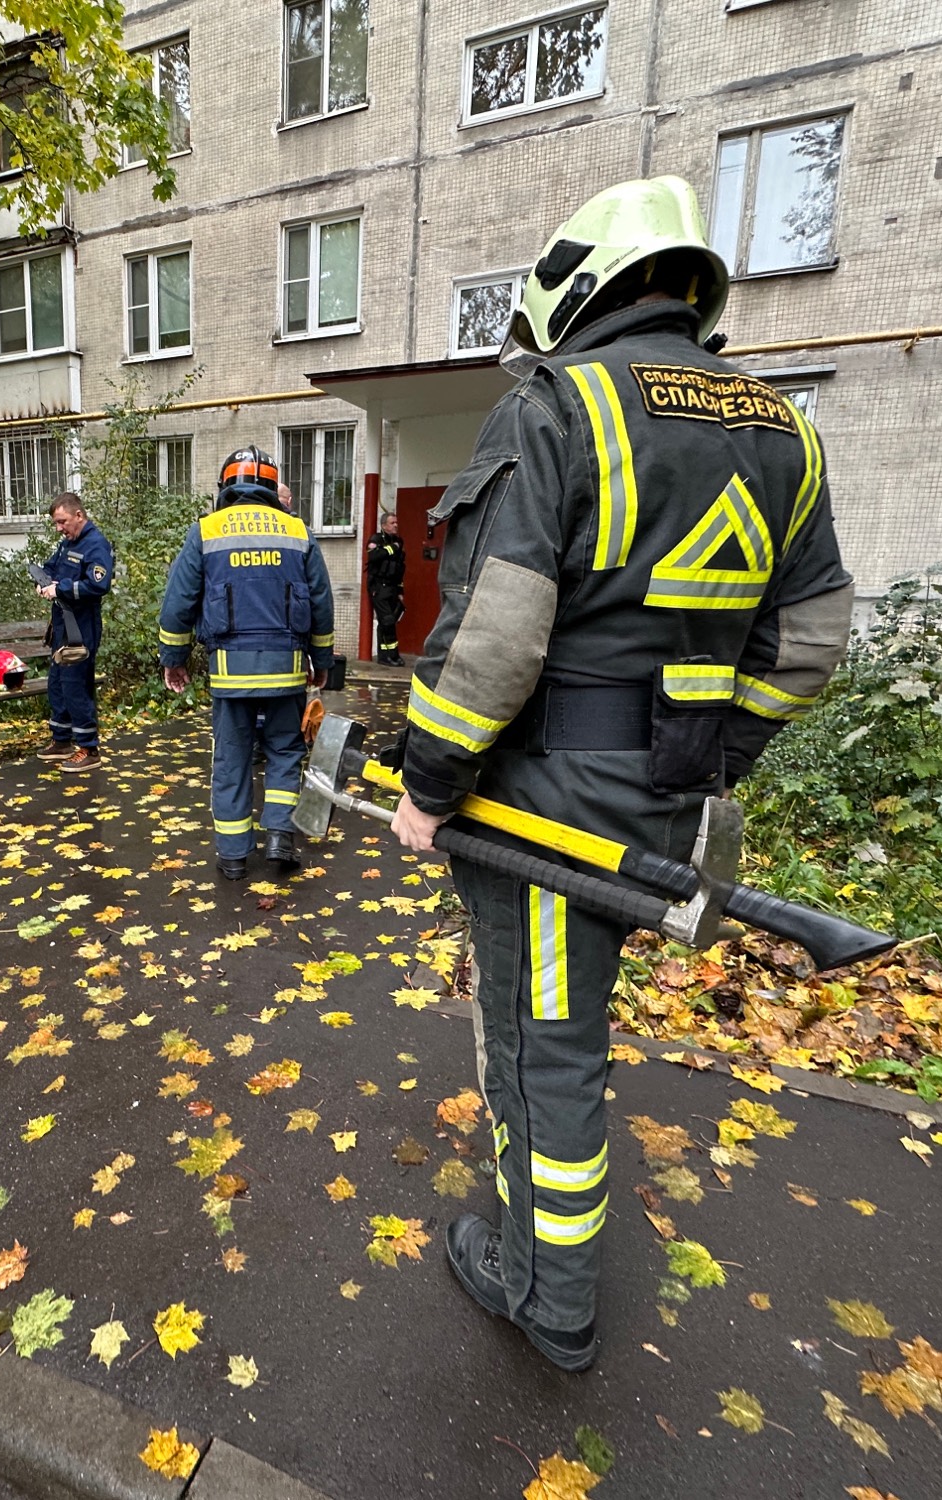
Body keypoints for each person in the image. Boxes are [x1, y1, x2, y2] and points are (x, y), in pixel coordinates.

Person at [387, 177, 854, 1372]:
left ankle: (547, 1300)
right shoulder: (782, 427)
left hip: (540, 804)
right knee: (570, 1028)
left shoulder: (557, 407)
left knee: (542, 1047)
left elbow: (494, 638)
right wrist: (704, 753)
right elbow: (806, 645)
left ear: (576, 281)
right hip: (662, 793)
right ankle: (554, 1265)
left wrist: (427, 787)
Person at [158, 447, 335, 881]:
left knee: (232, 758)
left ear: (226, 487)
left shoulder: (206, 531)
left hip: (230, 673)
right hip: (286, 671)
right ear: (273, 489)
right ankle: (279, 838)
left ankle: (234, 857)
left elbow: (179, 603)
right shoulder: (298, 532)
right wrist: (322, 659)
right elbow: (321, 603)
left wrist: (174, 659)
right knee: (284, 753)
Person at [35, 492, 113, 773]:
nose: (59, 528)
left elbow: (98, 585)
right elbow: (52, 566)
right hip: (62, 624)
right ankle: (62, 740)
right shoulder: (67, 544)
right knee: (57, 681)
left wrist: (62, 588)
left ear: (78, 516)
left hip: (81, 625)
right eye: (56, 523)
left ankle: (89, 749)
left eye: (62, 522)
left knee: (75, 684)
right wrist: (43, 580)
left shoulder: (96, 544)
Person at [366, 510, 407, 665]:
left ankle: (389, 655)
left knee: (389, 621)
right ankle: (389, 656)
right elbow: (373, 556)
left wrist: (400, 591)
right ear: (384, 525)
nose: (396, 525)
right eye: (392, 523)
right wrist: (392, 548)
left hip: (392, 588)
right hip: (378, 587)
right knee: (387, 621)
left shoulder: (399, 541)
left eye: (396, 523)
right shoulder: (376, 539)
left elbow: (399, 569)